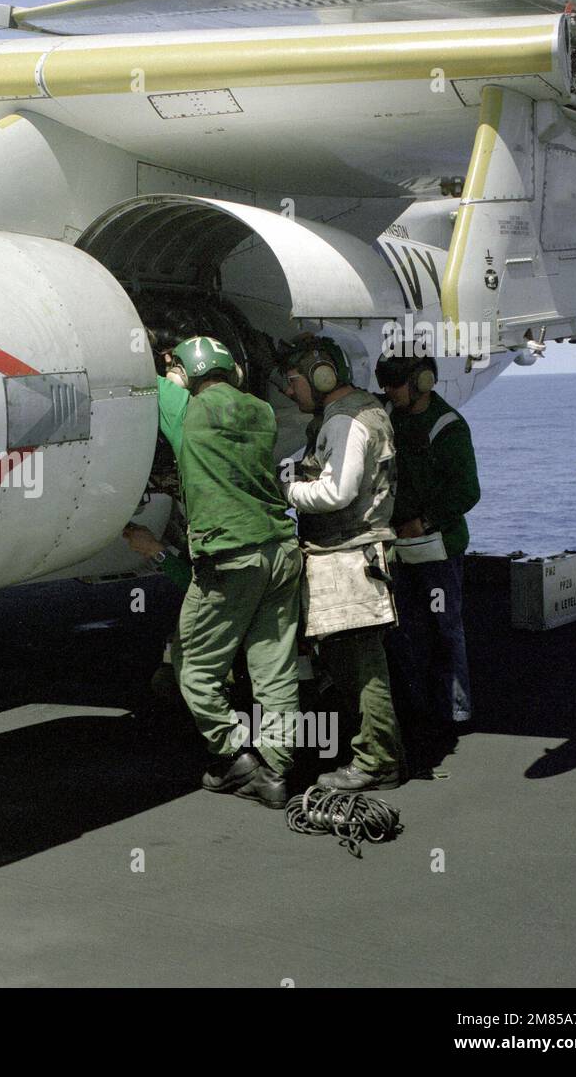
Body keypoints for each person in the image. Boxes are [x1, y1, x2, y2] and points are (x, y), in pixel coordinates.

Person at [143, 335, 303, 809]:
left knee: (193, 669)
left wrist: (166, 370)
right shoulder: (263, 412)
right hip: (279, 550)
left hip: (228, 558)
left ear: (189, 375)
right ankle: (276, 770)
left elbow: (136, 378)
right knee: (274, 668)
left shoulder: (187, 410)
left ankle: (234, 758)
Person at [283, 337, 405, 792]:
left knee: (361, 666)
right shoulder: (366, 409)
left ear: (321, 375)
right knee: (352, 662)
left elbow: (337, 493)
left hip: (349, 556)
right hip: (354, 554)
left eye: (294, 382)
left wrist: (288, 492)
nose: (290, 392)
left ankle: (378, 762)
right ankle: (373, 752)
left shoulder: (346, 422)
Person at [375, 352, 481, 763]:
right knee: (403, 629)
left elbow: (468, 491)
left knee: (445, 630)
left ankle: (454, 711)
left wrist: (425, 521)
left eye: (395, 384)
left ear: (421, 382)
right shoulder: (388, 411)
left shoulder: (448, 428)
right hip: (400, 544)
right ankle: (414, 708)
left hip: (436, 546)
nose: (387, 392)